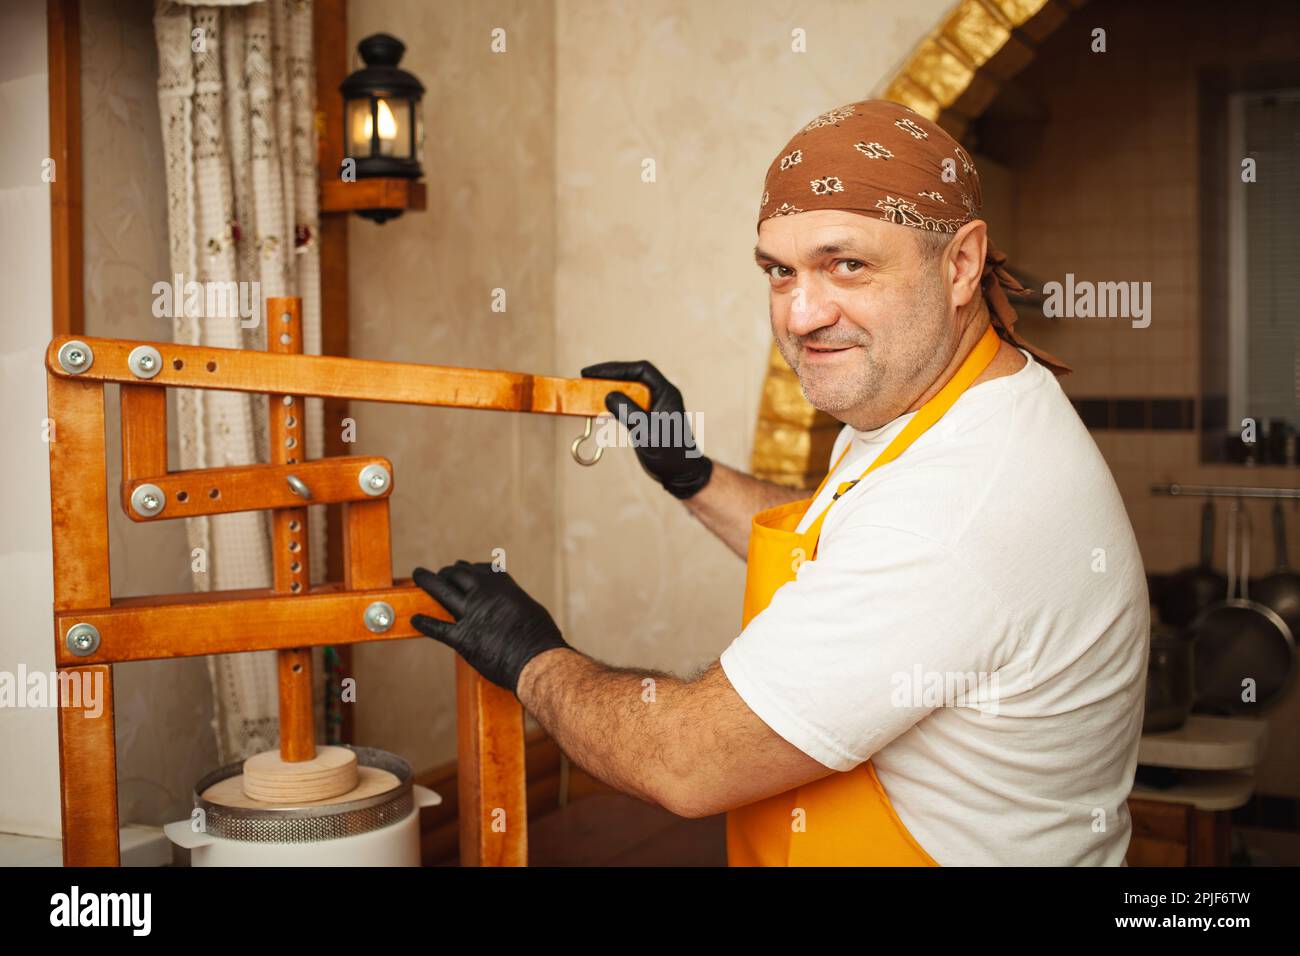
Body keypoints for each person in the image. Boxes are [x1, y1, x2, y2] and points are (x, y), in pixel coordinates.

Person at [411, 99, 1149, 866]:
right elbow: (853, 543)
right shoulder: (958, 408)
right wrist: (692, 475)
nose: (800, 315)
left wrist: (530, 657)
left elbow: (685, 761)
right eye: (779, 271)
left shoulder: (956, 507)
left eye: (847, 264)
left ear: (960, 264)